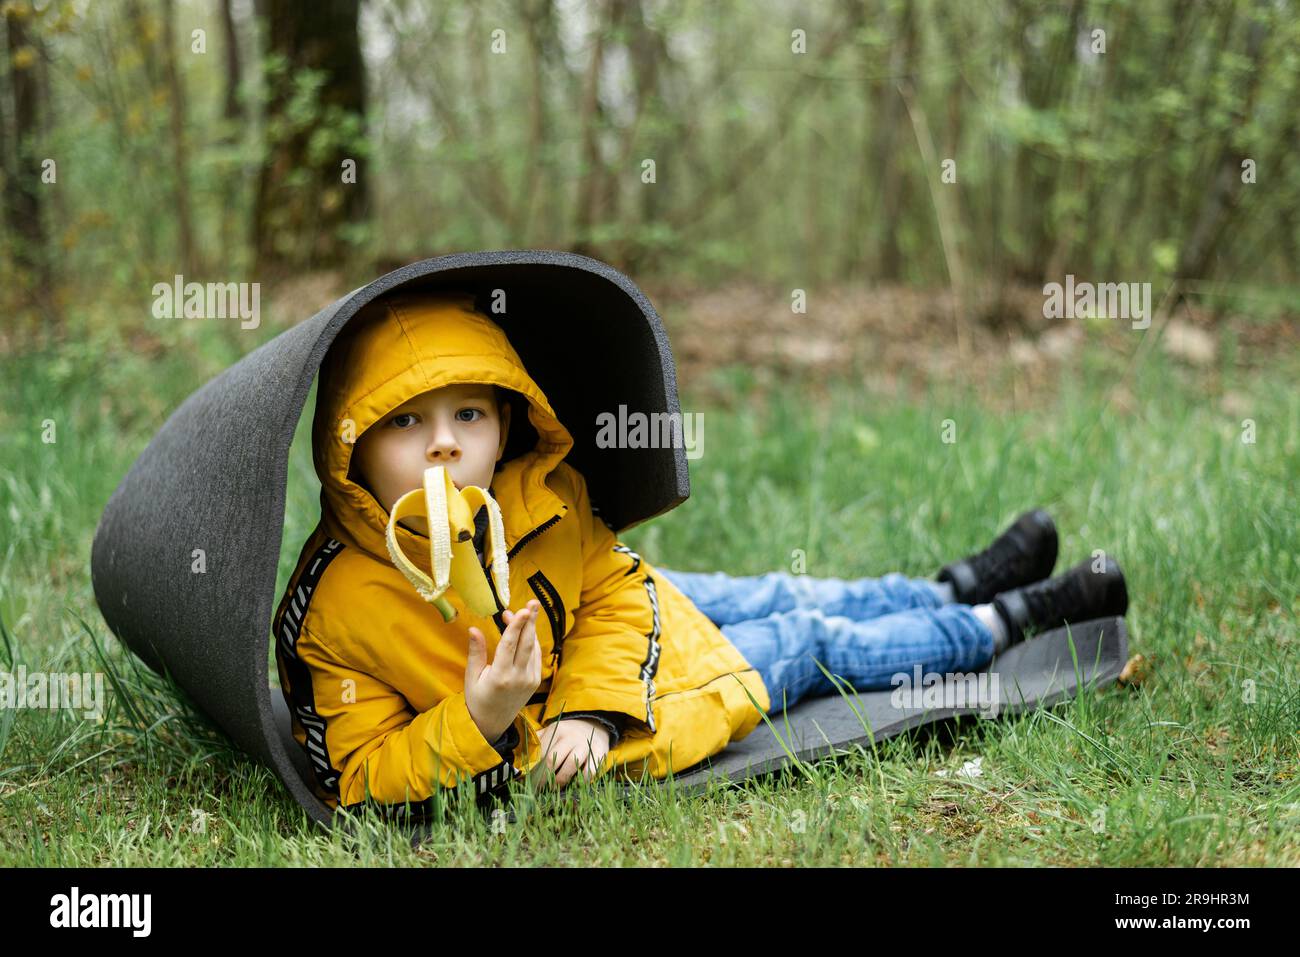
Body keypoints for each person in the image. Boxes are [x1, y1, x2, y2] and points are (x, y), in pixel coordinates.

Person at [272, 291, 1127, 821]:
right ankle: (1004, 618)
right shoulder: (340, 610)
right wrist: (488, 717)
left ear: (508, 421)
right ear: (349, 445)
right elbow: (359, 774)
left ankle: (949, 584)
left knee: (769, 588)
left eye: (470, 415)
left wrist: (589, 703)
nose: (445, 448)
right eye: (405, 421)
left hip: (607, 652)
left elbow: (615, 587)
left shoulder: (544, 495)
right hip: (643, 705)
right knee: (810, 637)